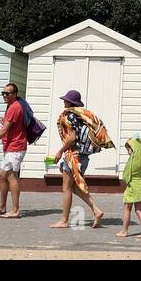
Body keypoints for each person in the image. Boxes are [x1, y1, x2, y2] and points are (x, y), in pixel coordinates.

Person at [48, 89, 111, 230]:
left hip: (74, 156)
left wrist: (60, 152)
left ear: (69, 102)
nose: (63, 101)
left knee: (67, 189)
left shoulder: (69, 116)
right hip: (82, 156)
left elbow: (72, 138)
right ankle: (96, 210)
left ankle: (64, 220)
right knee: (75, 188)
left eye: (65, 99)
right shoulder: (81, 116)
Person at [0, 82, 26, 218]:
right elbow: (10, 126)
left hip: (15, 147)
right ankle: (2, 206)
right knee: (2, 175)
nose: (4, 96)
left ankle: (15, 210)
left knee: (12, 176)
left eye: (7, 93)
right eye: (3, 93)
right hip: (10, 147)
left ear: (14, 94)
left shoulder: (15, 107)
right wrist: (4, 122)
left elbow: (4, 131)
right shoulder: (11, 106)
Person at [116, 136, 141, 240]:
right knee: (139, 210)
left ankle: (124, 231)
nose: (128, 152)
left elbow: (127, 174)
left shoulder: (133, 159)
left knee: (127, 208)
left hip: (133, 187)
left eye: (128, 150)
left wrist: (125, 180)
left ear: (133, 148)